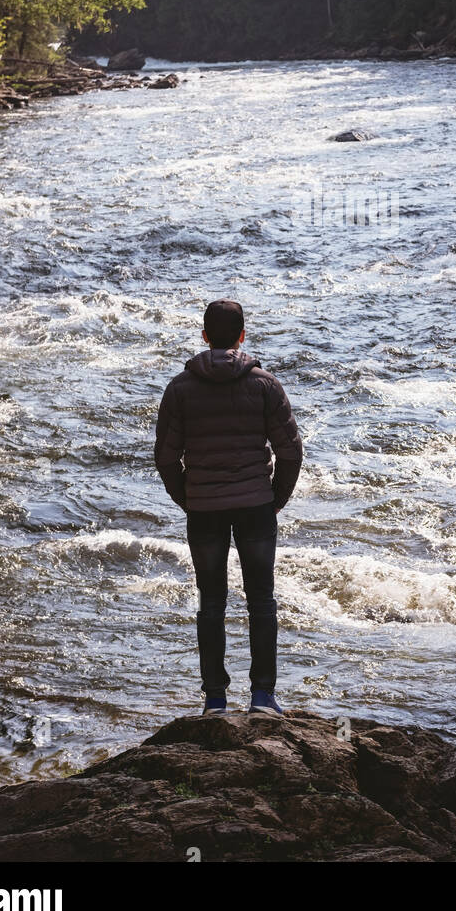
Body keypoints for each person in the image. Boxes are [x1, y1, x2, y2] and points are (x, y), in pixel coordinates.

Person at [154, 299, 302, 717]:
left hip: (204, 509)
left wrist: (189, 497)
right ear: (242, 335)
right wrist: (275, 500)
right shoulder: (265, 385)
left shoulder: (179, 389)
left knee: (211, 602)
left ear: (204, 336)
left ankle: (215, 700)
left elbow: (166, 458)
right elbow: (290, 452)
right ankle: (262, 698)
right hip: (256, 504)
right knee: (262, 600)